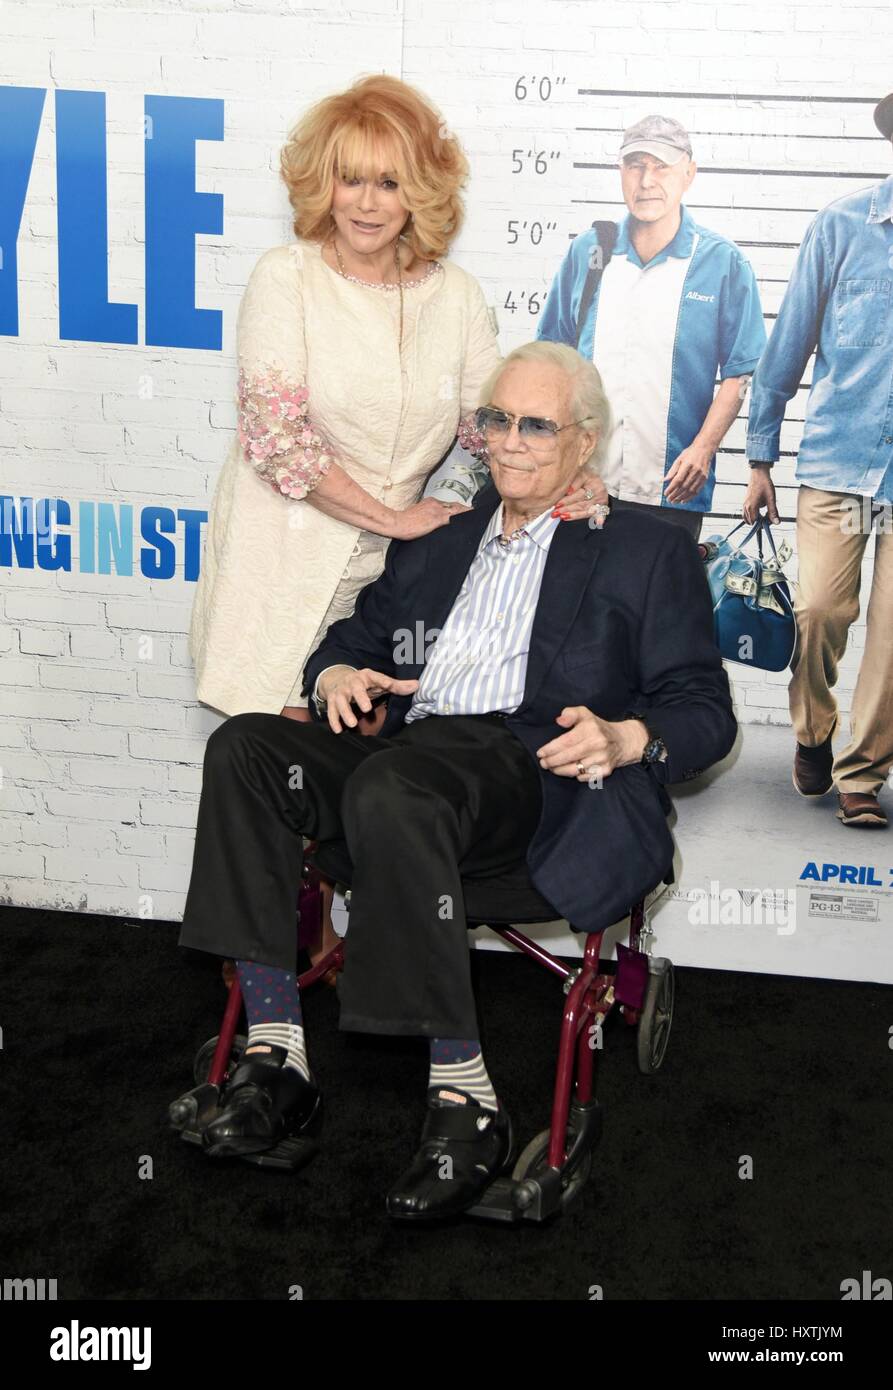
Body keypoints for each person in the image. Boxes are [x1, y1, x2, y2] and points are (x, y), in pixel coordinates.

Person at [175, 341, 737, 1220]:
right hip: (408, 757)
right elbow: (351, 645)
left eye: (536, 424)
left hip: (529, 772)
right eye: (495, 420)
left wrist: (626, 737)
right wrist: (332, 677)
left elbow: (704, 708)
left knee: (398, 782)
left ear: (582, 442)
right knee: (247, 750)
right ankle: (277, 1053)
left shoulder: (642, 548)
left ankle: (463, 1096)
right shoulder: (443, 538)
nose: (508, 442)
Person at [189, 75, 602, 968]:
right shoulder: (285, 277)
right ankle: (269, 995)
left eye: (387, 181)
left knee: (366, 767)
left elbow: (486, 423)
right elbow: (277, 440)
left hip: (394, 576)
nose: (366, 203)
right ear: (318, 184)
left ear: (421, 189)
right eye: (348, 179)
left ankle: (360, 943)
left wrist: (566, 480)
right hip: (285, 555)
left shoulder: (453, 294)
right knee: (277, 764)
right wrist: (394, 515)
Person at [743, 92, 893, 831]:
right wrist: (760, 454)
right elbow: (789, 341)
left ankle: (861, 774)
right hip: (838, 462)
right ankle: (812, 731)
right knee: (817, 611)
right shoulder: (841, 226)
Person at [538, 114, 767, 539]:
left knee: (658, 605)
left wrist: (703, 449)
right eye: (635, 165)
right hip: (581, 483)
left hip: (672, 492)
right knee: (574, 603)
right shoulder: (589, 253)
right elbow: (549, 359)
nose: (647, 181)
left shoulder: (722, 263)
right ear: (620, 173)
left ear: (689, 174)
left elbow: (740, 372)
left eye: (661, 166)